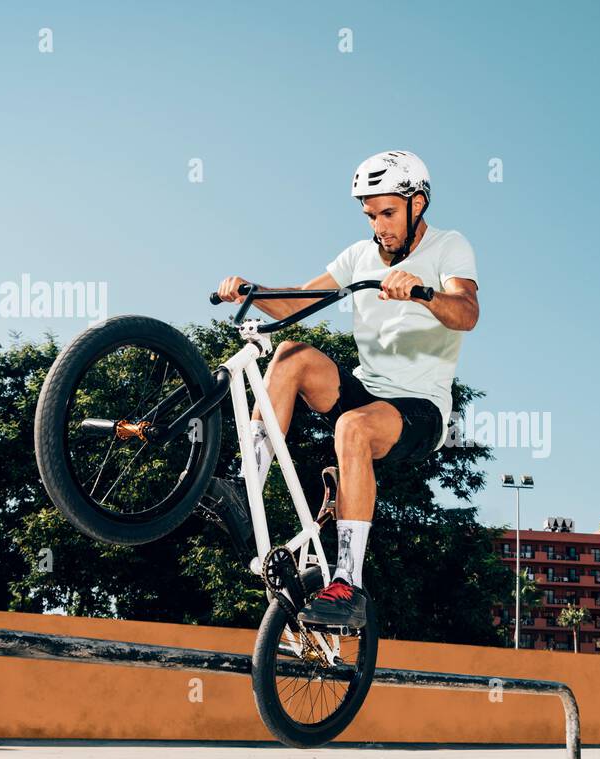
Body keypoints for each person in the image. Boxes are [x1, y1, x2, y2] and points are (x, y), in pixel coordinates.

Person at [199, 150, 479, 631]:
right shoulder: (360, 256)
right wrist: (251, 291)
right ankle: (247, 490)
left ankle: (349, 583)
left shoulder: (450, 248)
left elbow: (467, 312)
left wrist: (423, 292)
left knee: (352, 427)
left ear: (418, 204)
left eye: (388, 213)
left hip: (419, 411)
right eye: (371, 215)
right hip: (366, 391)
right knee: (290, 355)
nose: (380, 226)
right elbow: (299, 303)